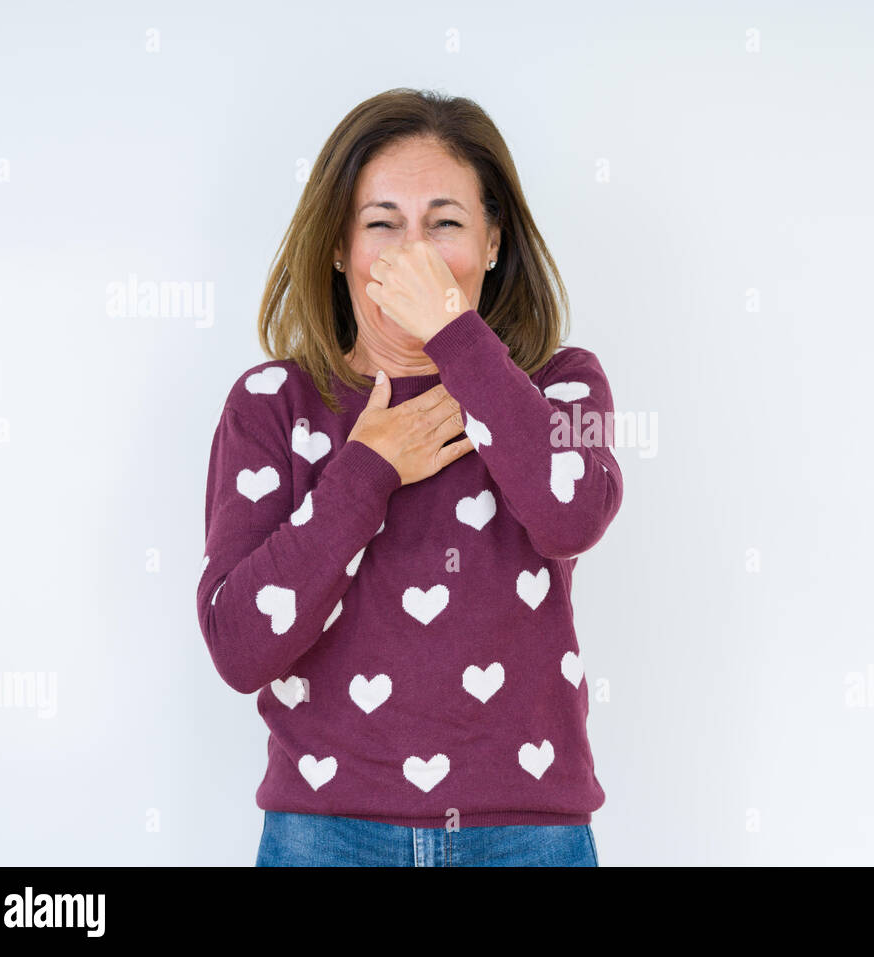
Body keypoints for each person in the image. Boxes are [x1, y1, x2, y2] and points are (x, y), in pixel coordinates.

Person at [195, 88, 623, 867]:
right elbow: (239, 646)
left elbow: (574, 512)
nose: (414, 254)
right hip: (324, 834)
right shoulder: (268, 404)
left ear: (494, 242)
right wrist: (368, 467)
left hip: (527, 833)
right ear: (338, 246)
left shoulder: (568, 384)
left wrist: (457, 335)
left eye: (447, 223)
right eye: (382, 223)